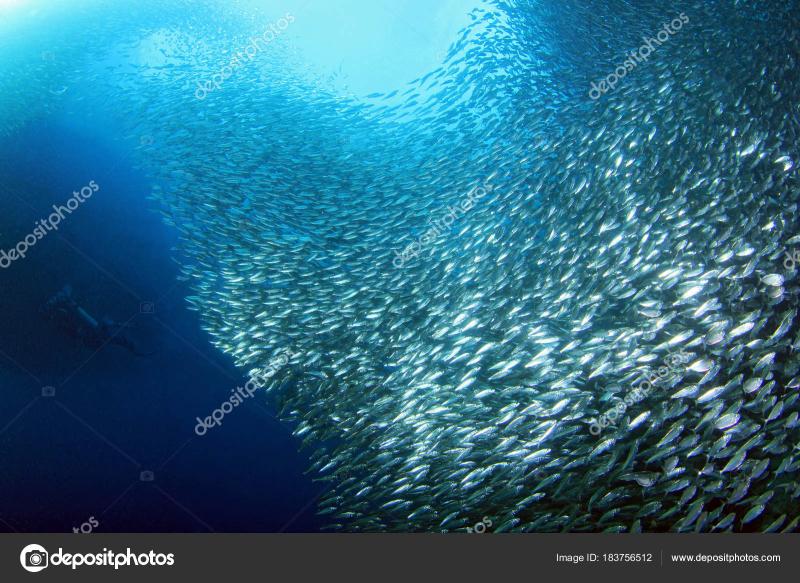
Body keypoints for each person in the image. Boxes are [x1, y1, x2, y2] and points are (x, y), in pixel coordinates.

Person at [41, 285, 152, 356]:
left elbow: (111, 327)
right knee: (110, 333)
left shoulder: (100, 334)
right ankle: (63, 304)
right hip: (89, 330)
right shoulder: (102, 334)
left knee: (108, 333)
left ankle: (62, 305)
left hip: (89, 330)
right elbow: (113, 327)